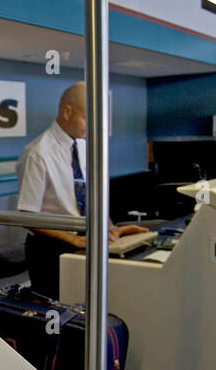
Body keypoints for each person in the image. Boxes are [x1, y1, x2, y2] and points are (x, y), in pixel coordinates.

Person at [16, 81, 146, 298]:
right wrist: (76, 240)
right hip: (51, 248)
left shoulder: (84, 147)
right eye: (87, 118)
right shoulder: (37, 153)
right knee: (58, 310)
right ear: (67, 111)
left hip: (86, 240)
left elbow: (91, 198)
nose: (92, 126)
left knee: (87, 304)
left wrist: (111, 229)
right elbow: (28, 216)